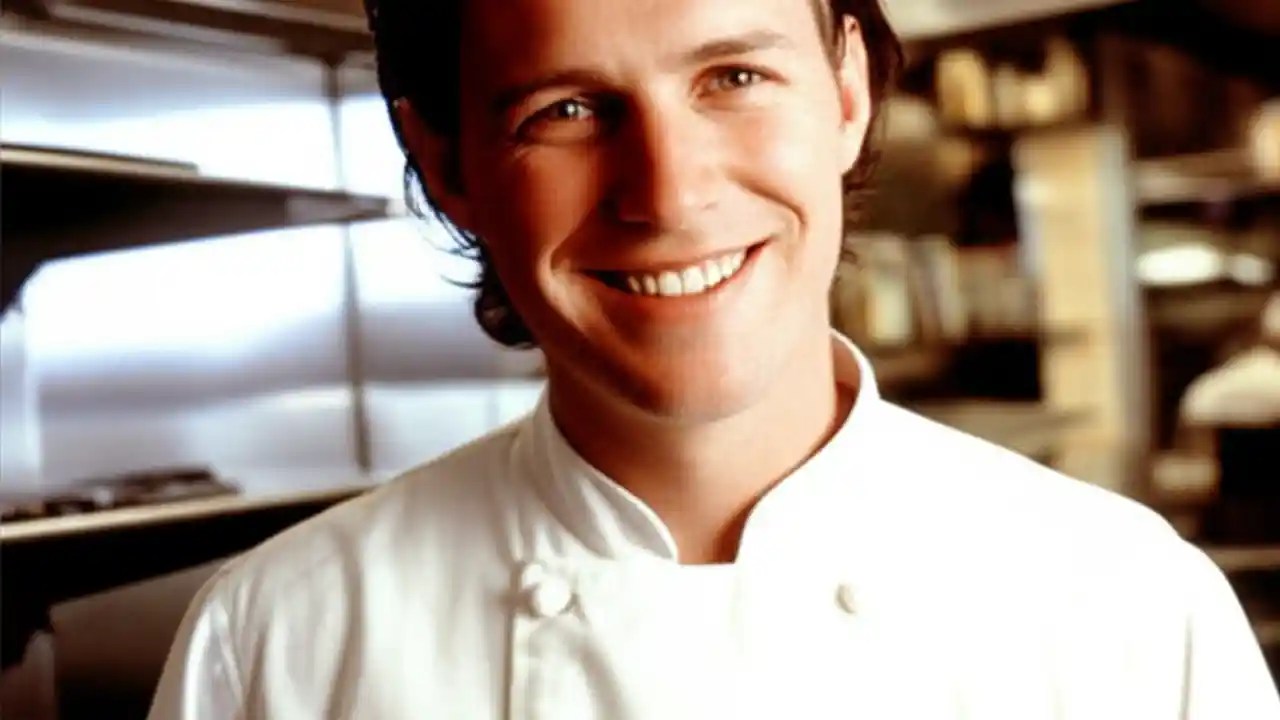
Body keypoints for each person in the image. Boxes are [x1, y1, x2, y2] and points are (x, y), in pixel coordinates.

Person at [148, 0, 1280, 716]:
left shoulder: (1127, 607)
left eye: (731, 77)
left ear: (845, 89)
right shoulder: (276, 643)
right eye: (569, 108)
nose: (668, 192)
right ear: (443, 162)